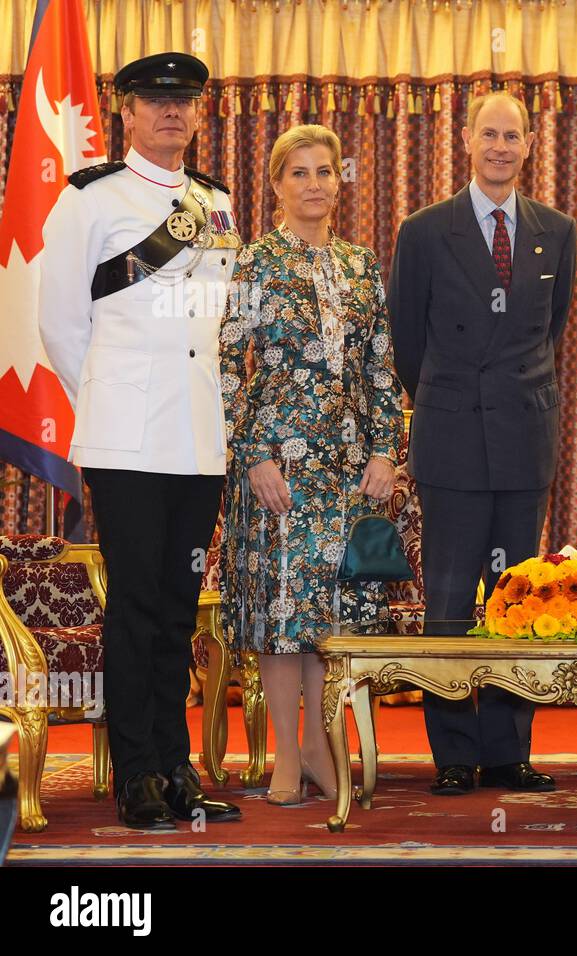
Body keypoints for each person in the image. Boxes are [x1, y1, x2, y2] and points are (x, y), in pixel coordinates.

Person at [37, 53, 242, 829]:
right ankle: (136, 779)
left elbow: (214, 323)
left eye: (183, 101)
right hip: (126, 439)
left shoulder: (216, 201)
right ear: (125, 111)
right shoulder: (90, 199)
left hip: (197, 435)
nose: (170, 112)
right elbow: (60, 324)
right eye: (154, 100)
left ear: (198, 113)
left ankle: (176, 768)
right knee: (135, 607)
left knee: (180, 610)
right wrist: (111, 397)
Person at [388, 92, 577, 796]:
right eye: (489, 134)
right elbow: (408, 343)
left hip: (523, 440)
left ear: (529, 145)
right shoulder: (424, 230)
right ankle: (455, 755)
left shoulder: (556, 230)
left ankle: (506, 752)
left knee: (516, 600)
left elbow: (548, 334)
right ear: (467, 140)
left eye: (513, 136)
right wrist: (451, 398)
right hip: (452, 438)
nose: (500, 146)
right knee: (449, 602)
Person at [220, 124, 403, 806]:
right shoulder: (257, 262)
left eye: (325, 171)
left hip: (348, 467)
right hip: (277, 473)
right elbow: (225, 367)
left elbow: (382, 367)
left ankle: (323, 749)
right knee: (281, 612)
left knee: (332, 614)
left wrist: (386, 450)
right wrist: (255, 454)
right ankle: (287, 761)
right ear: (276, 185)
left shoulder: (359, 265)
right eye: (299, 173)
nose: (315, 184)